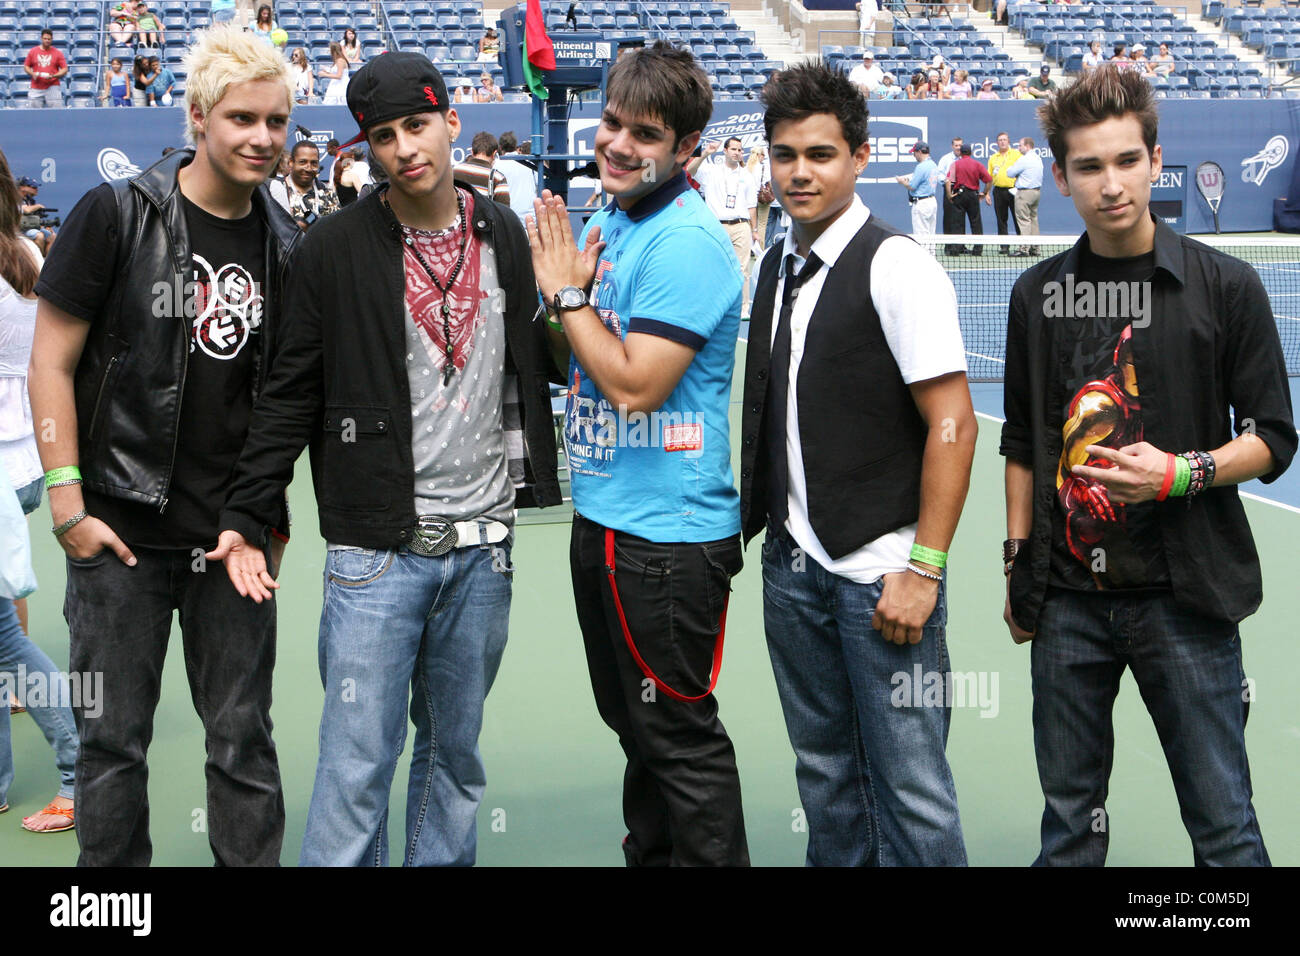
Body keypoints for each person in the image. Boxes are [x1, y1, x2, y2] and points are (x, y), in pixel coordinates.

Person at [208, 50, 562, 867]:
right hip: (375, 557)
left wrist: (571, 302)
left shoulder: (503, 232)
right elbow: (291, 393)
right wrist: (247, 511)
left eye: (418, 125)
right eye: (383, 135)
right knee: (356, 766)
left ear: (451, 123)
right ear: (367, 148)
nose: (405, 148)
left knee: (455, 761)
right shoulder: (332, 249)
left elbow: (537, 364)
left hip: (483, 552)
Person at [1002, 66, 1295, 866]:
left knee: (1225, 829)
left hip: (1187, 598)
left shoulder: (1225, 286)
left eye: (1127, 161)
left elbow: (1274, 435)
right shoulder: (1037, 296)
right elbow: (1022, 441)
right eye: (1090, 167)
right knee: (1069, 829)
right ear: (1060, 177)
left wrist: (1181, 473)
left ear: (1155, 160)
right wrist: (1017, 565)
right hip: (1066, 602)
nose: (1112, 184)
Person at [26, 23, 301, 867]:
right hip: (119, 540)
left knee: (243, 747)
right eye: (242, 119)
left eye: (278, 122)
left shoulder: (289, 243)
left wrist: (265, 520)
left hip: (231, 546)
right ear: (197, 118)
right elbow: (50, 361)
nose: (262, 138)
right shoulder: (116, 214)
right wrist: (68, 504)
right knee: (111, 751)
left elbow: (286, 401)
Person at [743, 61, 975, 866]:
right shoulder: (775, 265)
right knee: (827, 780)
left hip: (882, 573)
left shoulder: (897, 265)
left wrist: (925, 568)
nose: (799, 172)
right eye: (783, 154)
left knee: (912, 791)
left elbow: (954, 424)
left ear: (860, 157)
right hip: (793, 573)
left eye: (820, 153)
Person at [526, 40, 749, 867]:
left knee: (678, 740)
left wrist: (566, 293)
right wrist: (561, 311)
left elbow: (632, 386)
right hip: (610, 519)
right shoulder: (609, 223)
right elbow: (570, 362)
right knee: (638, 729)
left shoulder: (686, 243)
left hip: (667, 538)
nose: (618, 144)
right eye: (612, 122)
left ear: (685, 149)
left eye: (645, 135)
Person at [0, 147, 81, 835]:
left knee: (4, 641)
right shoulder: (27, 251)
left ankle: (78, 776)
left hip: (6, 460)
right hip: (27, 458)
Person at [687, 136, 759, 313]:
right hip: (718, 225)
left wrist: (754, 229)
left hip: (741, 225)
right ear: (725, 151)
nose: (737, 153)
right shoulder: (712, 171)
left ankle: (742, 309)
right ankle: (713, 307)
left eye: (740, 150)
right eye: (734, 149)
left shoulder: (747, 176)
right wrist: (706, 153)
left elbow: (751, 206)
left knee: (743, 270)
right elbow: (691, 169)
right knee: (715, 266)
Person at [269, 140, 339, 229]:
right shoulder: (275, 189)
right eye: (303, 162)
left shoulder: (327, 193)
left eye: (314, 163)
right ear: (291, 162)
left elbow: (337, 228)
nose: (308, 168)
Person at [946, 143, 990, 255]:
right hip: (973, 195)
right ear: (971, 153)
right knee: (976, 223)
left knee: (958, 223)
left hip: (959, 195)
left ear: (960, 153)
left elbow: (948, 181)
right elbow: (989, 180)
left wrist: (949, 195)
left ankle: (956, 249)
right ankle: (977, 250)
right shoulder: (977, 164)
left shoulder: (955, 164)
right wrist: (984, 193)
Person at [1004, 135, 1043, 255]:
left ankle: (1023, 249)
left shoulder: (1024, 159)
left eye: (1020, 145)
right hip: (1036, 193)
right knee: (1033, 220)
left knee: (1023, 220)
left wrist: (1012, 168)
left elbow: (1010, 173)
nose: (1019, 148)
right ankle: (1035, 249)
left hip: (1025, 193)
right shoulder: (1037, 158)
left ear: (1027, 146)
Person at [987, 131, 1022, 253]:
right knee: (1001, 219)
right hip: (998, 191)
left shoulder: (1016, 154)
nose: (1002, 142)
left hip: (1013, 190)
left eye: (1004, 140)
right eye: (1000, 140)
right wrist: (987, 193)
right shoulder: (993, 158)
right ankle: (1004, 246)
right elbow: (989, 177)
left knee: (1017, 218)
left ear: (1008, 142)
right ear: (997, 143)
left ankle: (1021, 245)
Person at [453, 131, 511, 204]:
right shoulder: (498, 178)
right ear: (494, 154)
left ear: (472, 151)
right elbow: (504, 212)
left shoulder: (455, 171)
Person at [896, 141, 938, 236]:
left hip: (922, 204)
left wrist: (902, 181)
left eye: (914, 152)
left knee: (921, 236)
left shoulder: (921, 167)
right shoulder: (933, 164)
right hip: (932, 201)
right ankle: (930, 252)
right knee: (931, 236)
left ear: (919, 152)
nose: (914, 155)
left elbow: (912, 186)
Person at [496, 131, 537, 224]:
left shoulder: (496, 166)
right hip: (529, 219)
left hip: (508, 220)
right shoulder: (530, 164)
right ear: (516, 147)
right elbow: (540, 186)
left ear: (501, 147)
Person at [24, 30, 67, 109]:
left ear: (52, 39)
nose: (47, 41)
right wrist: (32, 74)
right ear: (41, 38)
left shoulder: (57, 53)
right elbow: (26, 66)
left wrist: (53, 75)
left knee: (57, 112)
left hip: (52, 86)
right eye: (45, 38)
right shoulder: (33, 51)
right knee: (32, 113)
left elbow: (64, 69)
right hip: (36, 86)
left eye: (49, 39)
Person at [936, 135, 964, 255]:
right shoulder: (945, 159)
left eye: (960, 145)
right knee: (948, 218)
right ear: (952, 146)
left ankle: (961, 246)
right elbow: (938, 175)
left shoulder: (965, 158)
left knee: (961, 219)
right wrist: (948, 181)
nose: (958, 148)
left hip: (962, 191)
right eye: (956, 145)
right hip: (949, 189)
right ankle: (949, 246)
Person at [18, 179, 55, 256]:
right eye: (33, 187)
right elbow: (26, 210)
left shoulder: (29, 200)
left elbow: (32, 218)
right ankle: (38, 261)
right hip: (18, 229)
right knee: (39, 236)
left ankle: (46, 263)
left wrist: (43, 226)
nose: (36, 189)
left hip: (28, 227)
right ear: (23, 187)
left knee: (52, 236)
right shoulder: (16, 198)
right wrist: (38, 206)